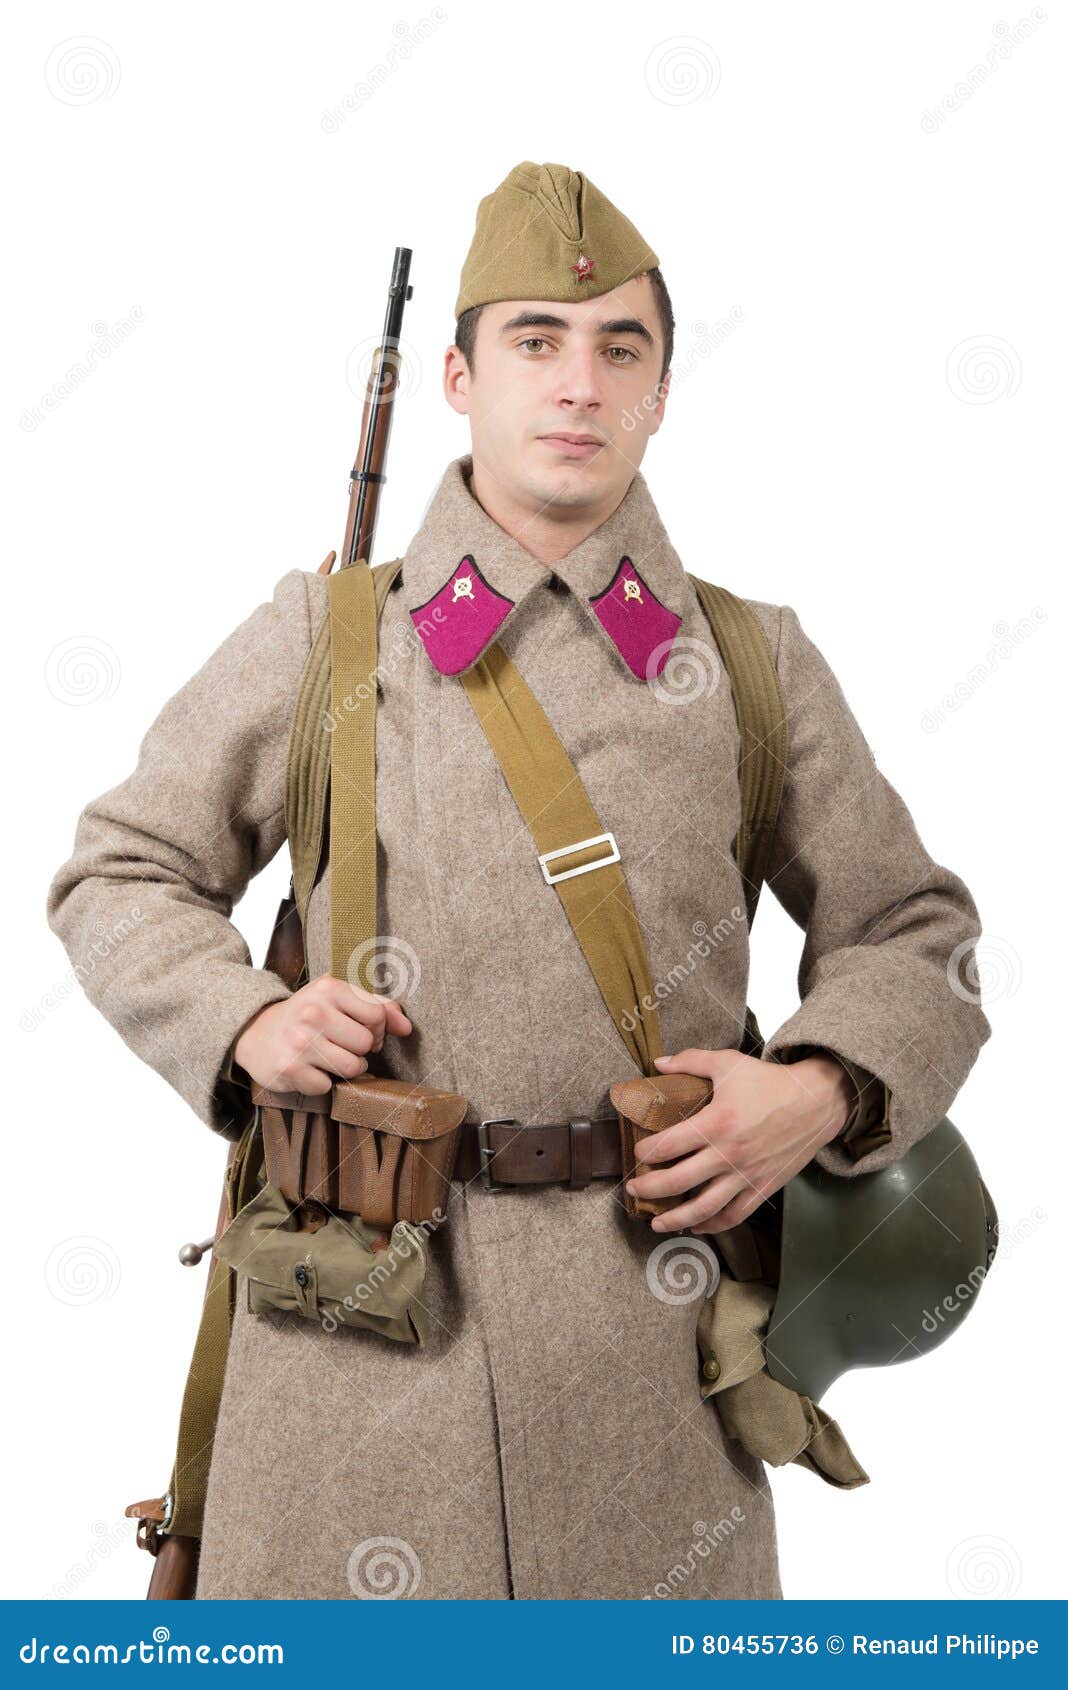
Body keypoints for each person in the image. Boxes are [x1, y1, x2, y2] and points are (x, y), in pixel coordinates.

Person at [46, 160, 990, 1600]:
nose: (579, 383)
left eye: (623, 347)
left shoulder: (751, 660)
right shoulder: (324, 635)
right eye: (535, 341)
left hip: (654, 1385)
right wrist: (241, 1022)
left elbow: (915, 932)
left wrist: (814, 1091)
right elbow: (122, 867)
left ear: (665, 388)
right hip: (351, 1350)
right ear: (457, 375)